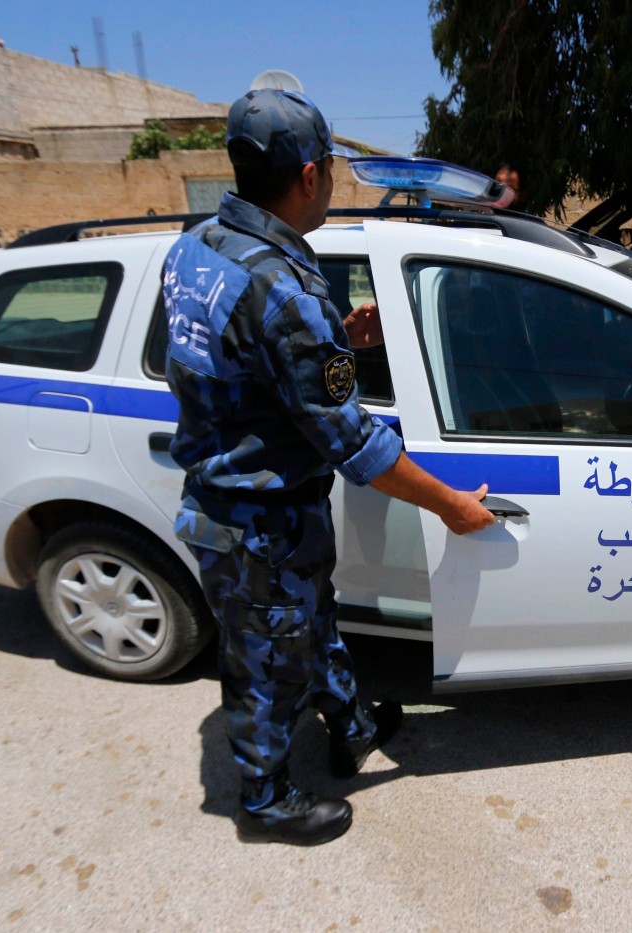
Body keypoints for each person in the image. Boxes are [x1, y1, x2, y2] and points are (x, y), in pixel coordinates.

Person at [163, 88, 494, 847]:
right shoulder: (281, 286)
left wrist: (333, 339)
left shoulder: (199, 247)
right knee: (266, 662)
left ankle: (348, 726)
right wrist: (449, 505)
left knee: (311, 624)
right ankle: (265, 798)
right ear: (309, 174)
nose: (336, 182)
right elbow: (354, 442)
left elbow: (237, 359)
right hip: (257, 519)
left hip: (245, 504)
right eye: (335, 170)